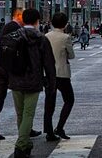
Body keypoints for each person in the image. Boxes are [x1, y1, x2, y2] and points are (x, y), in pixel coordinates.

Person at [3, 9, 56, 158]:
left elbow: (1, 56)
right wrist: (51, 83)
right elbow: (49, 64)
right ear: (37, 21)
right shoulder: (41, 39)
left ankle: (25, 145)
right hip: (33, 81)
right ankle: (20, 146)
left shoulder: (13, 36)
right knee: (28, 114)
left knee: (20, 114)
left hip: (15, 80)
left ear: (23, 20)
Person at [0, 8, 26, 141]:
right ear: (19, 16)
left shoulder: (11, 26)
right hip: (5, 68)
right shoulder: (12, 27)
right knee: (6, 98)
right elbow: (9, 49)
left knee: (2, 97)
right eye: (23, 16)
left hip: (1, 66)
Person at [44, 12, 75, 142]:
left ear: (51, 23)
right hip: (62, 73)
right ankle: (60, 127)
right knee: (69, 100)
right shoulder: (65, 37)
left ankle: (49, 131)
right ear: (65, 24)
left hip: (48, 74)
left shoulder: (45, 36)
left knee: (49, 103)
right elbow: (71, 55)